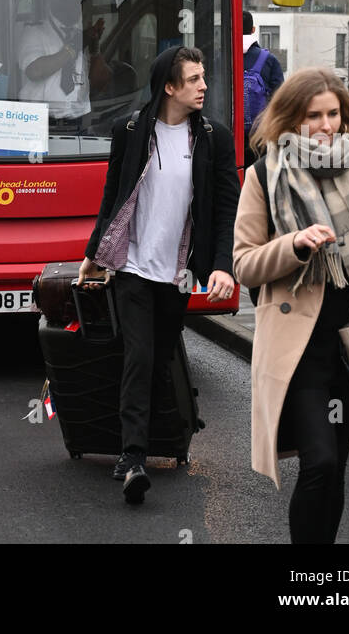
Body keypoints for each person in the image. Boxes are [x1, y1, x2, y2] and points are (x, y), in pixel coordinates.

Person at [233, 67, 349, 545]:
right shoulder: (264, 174)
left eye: (334, 113)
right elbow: (245, 264)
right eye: (314, 116)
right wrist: (296, 245)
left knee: (337, 468)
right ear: (291, 119)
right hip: (303, 351)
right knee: (319, 462)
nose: (327, 125)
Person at [77, 45, 240, 504]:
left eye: (203, 78)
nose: (203, 86)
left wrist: (223, 265)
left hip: (179, 271)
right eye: (193, 80)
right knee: (140, 354)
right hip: (133, 265)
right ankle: (132, 458)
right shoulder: (129, 130)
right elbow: (114, 194)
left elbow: (227, 206)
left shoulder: (214, 137)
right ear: (169, 87)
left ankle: (165, 437)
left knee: (161, 356)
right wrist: (95, 253)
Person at [18, 0, 109, 125]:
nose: (75, 6)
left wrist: (95, 48)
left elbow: (101, 82)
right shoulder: (35, 31)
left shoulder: (82, 35)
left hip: (79, 121)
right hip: (41, 121)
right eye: (69, 0)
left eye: (78, 1)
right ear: (55, 2)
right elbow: (35, 71)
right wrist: (74, 46)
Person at [242, 11, 284, 170]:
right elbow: (280, 99)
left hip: (229, 134)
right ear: (253, 30)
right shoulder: (268, 60)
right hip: (259, 137)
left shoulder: (221, 55)